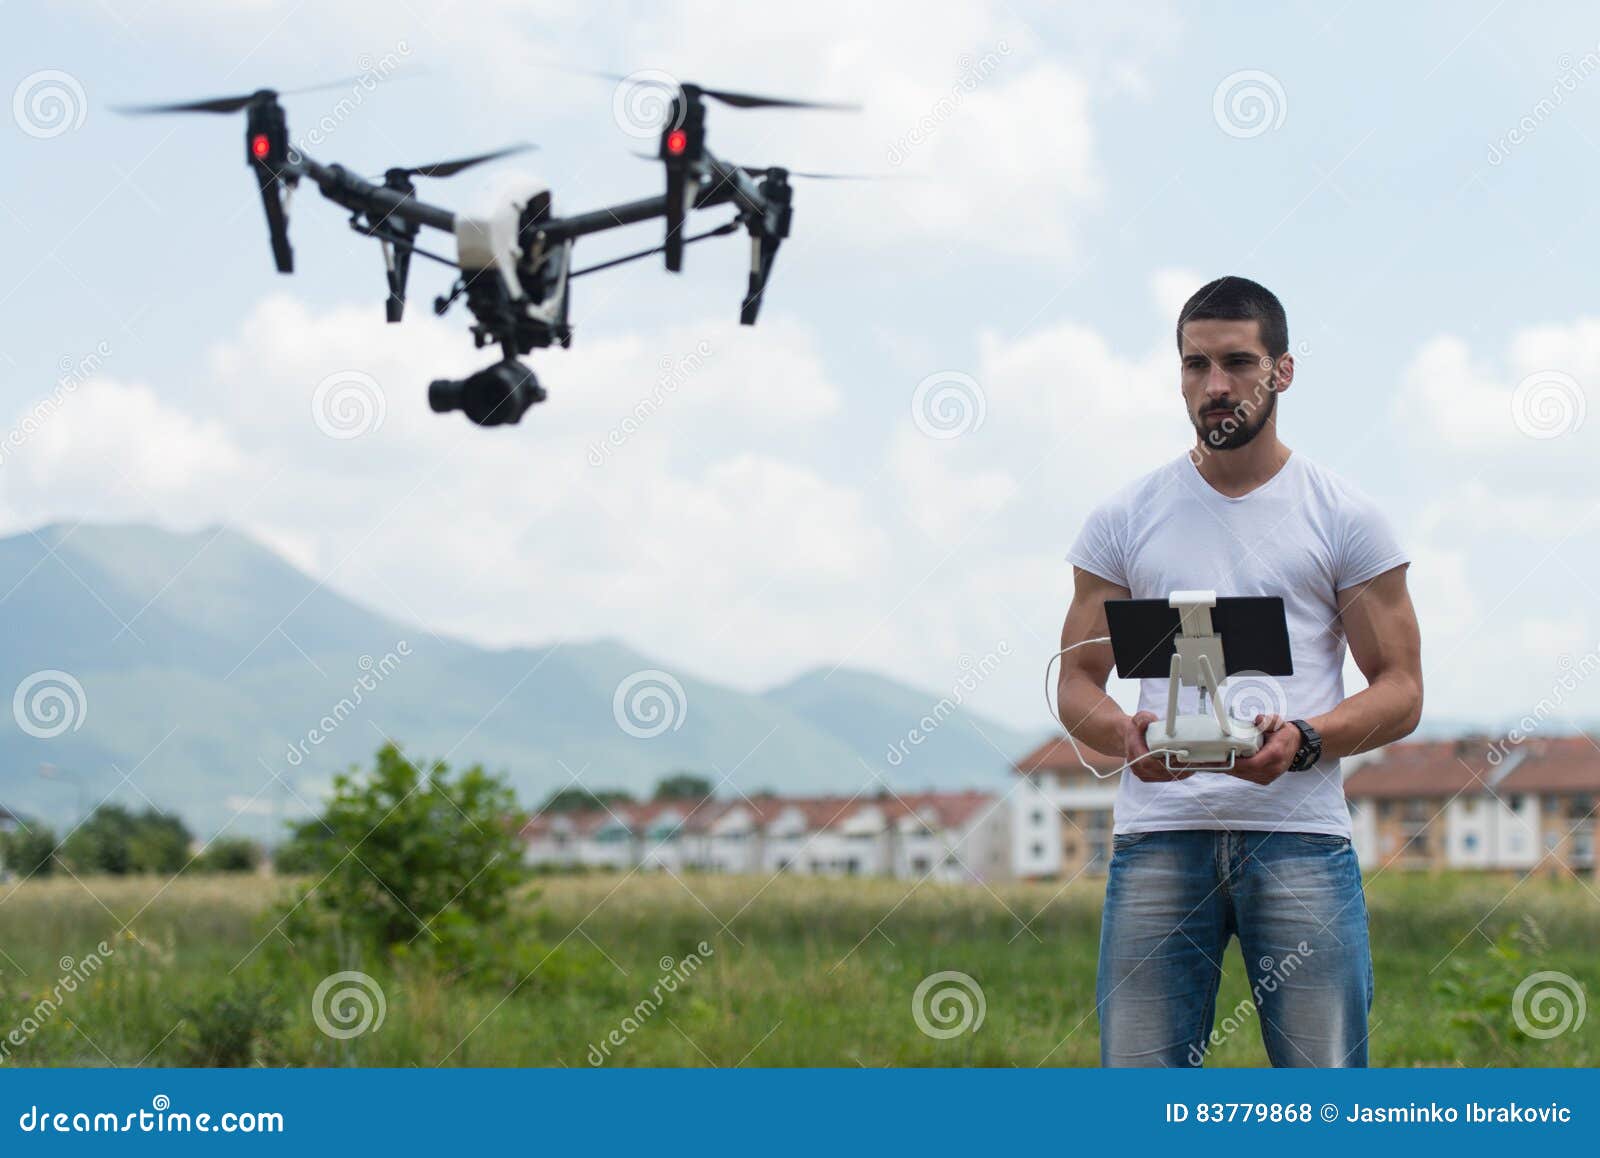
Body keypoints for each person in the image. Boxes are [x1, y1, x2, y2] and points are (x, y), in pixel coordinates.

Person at [1056, 275, 1422, 1067]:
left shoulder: (1343, 516)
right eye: (1195, 365)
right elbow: (1076, 682)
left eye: (1237, 362)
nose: (1215, 386)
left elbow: (1401, 688)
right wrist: (1125, 734)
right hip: (1159, 839)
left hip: (1298, 839)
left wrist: (1306, 738)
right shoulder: (1124, 518)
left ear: (1282, 371)